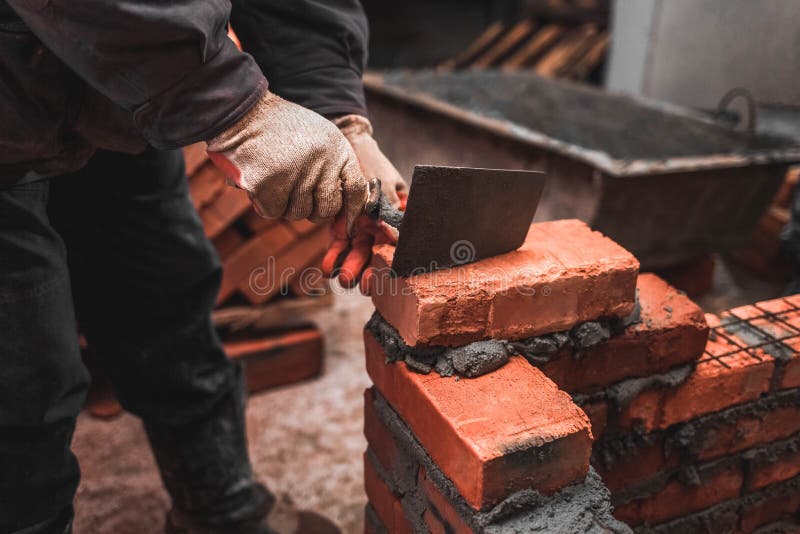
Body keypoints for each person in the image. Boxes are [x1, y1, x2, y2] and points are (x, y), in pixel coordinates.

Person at [0, 1, 405, 532]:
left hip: (116, 92)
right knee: (23, 386)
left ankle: (221, 508)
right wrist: (232, 108)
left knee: (165, 289)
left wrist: (340, 114)